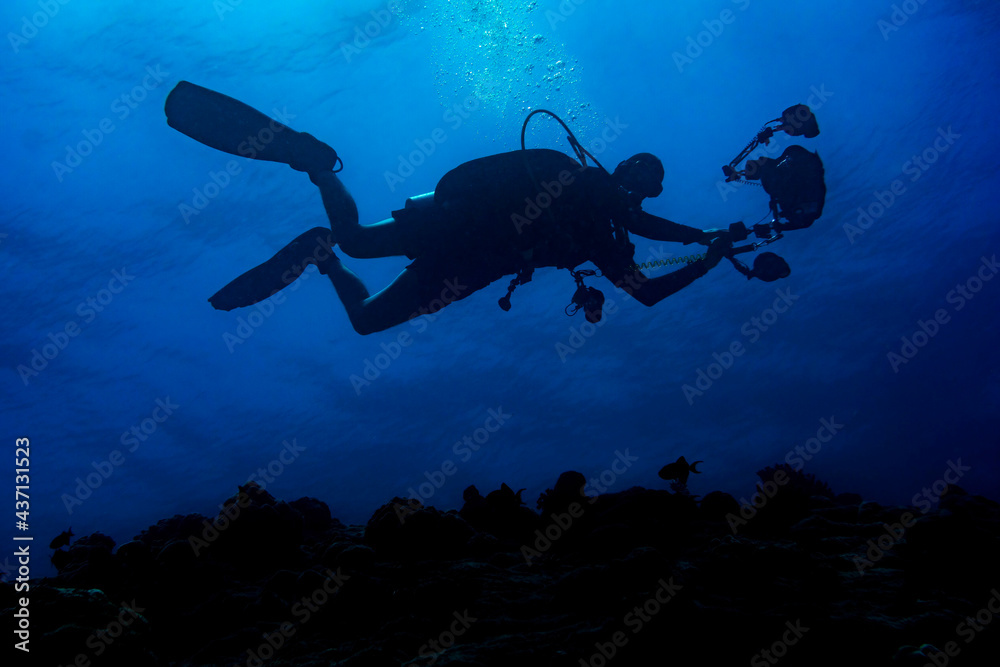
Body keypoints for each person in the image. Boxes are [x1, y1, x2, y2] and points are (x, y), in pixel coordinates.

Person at [166, 82, 730, 335]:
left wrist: (707, 259)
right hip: (466, 221)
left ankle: (323, 253)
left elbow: (647, 292)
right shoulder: (577, 177)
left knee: (366, 320)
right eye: (638, 174)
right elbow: (638, 221)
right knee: (361, 240)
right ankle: (316, 167)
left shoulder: (605, 241)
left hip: (475, 265)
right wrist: (704, 240)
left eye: (649, 184)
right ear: (621, 170)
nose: (637, 188)